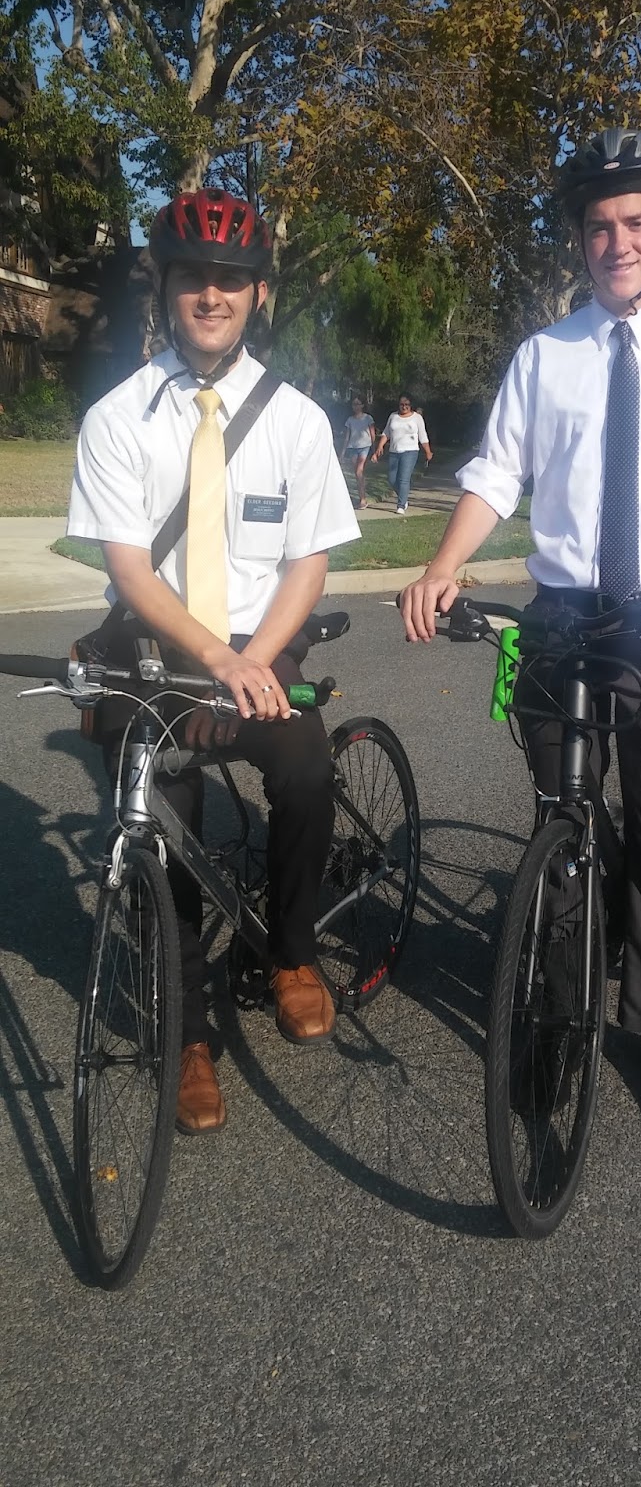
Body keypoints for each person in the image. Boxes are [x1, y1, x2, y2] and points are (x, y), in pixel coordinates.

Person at [399, 128, 641, 1128]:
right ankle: (560, 1014)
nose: (619, 242)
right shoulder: (545, 356)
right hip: (561, 620)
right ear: (581, 239)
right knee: (562, 816)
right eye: (601, 226)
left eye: (636, 223)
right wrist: (440, 566)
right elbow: (495, 476)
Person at [67, 187, 361, 1134]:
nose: (211, 294)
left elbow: (308, 564)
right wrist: (208, 659)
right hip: (158, 645)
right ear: (165, 288)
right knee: (167, 819)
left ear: (257, 295)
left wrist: (254, 660)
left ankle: (292, 951)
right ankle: (189, 1031)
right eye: (193, 276)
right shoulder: (116, 417)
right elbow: (128, 568)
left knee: (306, 771)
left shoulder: (298, 421)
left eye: (230, 280)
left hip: (258, 642)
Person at [372, 394, 433, 513]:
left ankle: (401, 505)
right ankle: (403, 497)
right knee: (392, 479)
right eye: (401, 404)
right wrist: (380, 446)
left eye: (407, 404)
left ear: (411, 405)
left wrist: (428, 451)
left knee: (404, 479)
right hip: (394, 451)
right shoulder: (393, 416)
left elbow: (423, 436)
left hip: (410, 451)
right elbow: (386, 433)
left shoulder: (417, 418)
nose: (404, 407)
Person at [340, 395, 376, 509]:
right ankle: (362, 495)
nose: (355, 407)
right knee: (357, 473)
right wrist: (342, 453)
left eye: (357, 404)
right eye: (354, 404)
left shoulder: (368, 418)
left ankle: (363, 500)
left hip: (364, 447)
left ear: (362, 405)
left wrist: (374, 451)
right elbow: (347, 437)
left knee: (358, 471)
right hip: (352, 447)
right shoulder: (350, 420)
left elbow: (372, 434)